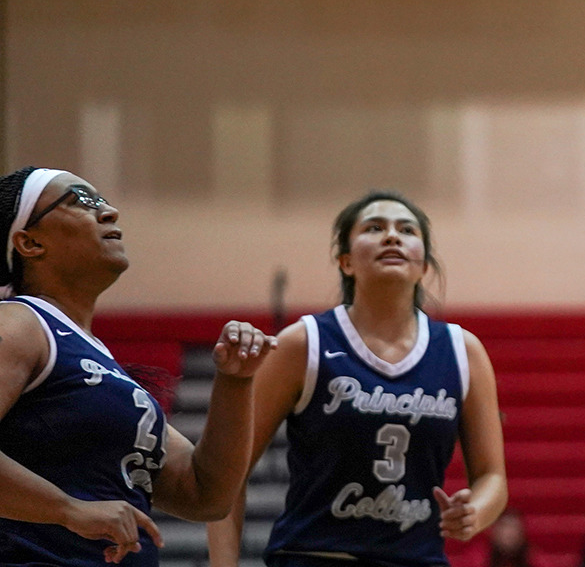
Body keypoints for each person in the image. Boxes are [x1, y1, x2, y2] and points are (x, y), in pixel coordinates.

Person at [207, 190, 509, 567]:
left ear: (424, 266)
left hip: (418, 559)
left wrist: (475, 511)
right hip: (314, 556)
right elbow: (225, 472)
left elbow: (493, 477)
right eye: (375, 227)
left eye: (406, 229)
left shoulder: (463, 351)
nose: (392, 236)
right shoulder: (304, 343)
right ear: (346, 262)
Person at [0, 166, 274, 566]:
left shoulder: (95, 357)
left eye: (104, 201)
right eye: (81, 202)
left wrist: (235, 381)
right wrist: (67, 509)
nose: (108, 211)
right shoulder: (19, 323)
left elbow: (205, 494)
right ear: (29, 242)